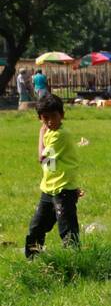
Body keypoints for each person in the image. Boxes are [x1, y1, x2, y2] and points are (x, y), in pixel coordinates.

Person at [25, 93, 82, 257]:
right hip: (49, 188)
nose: (50, 122)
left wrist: (41, 134)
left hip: (62, 189)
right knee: (37, 226)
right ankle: (33, 260)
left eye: (54, 116)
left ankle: (73, 262)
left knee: (67, 229)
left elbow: (41, 157)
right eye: (45, 118)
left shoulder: (60, 135)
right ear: (40, 118)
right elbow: (50, 163)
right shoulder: (50, 131)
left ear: (62, 115)